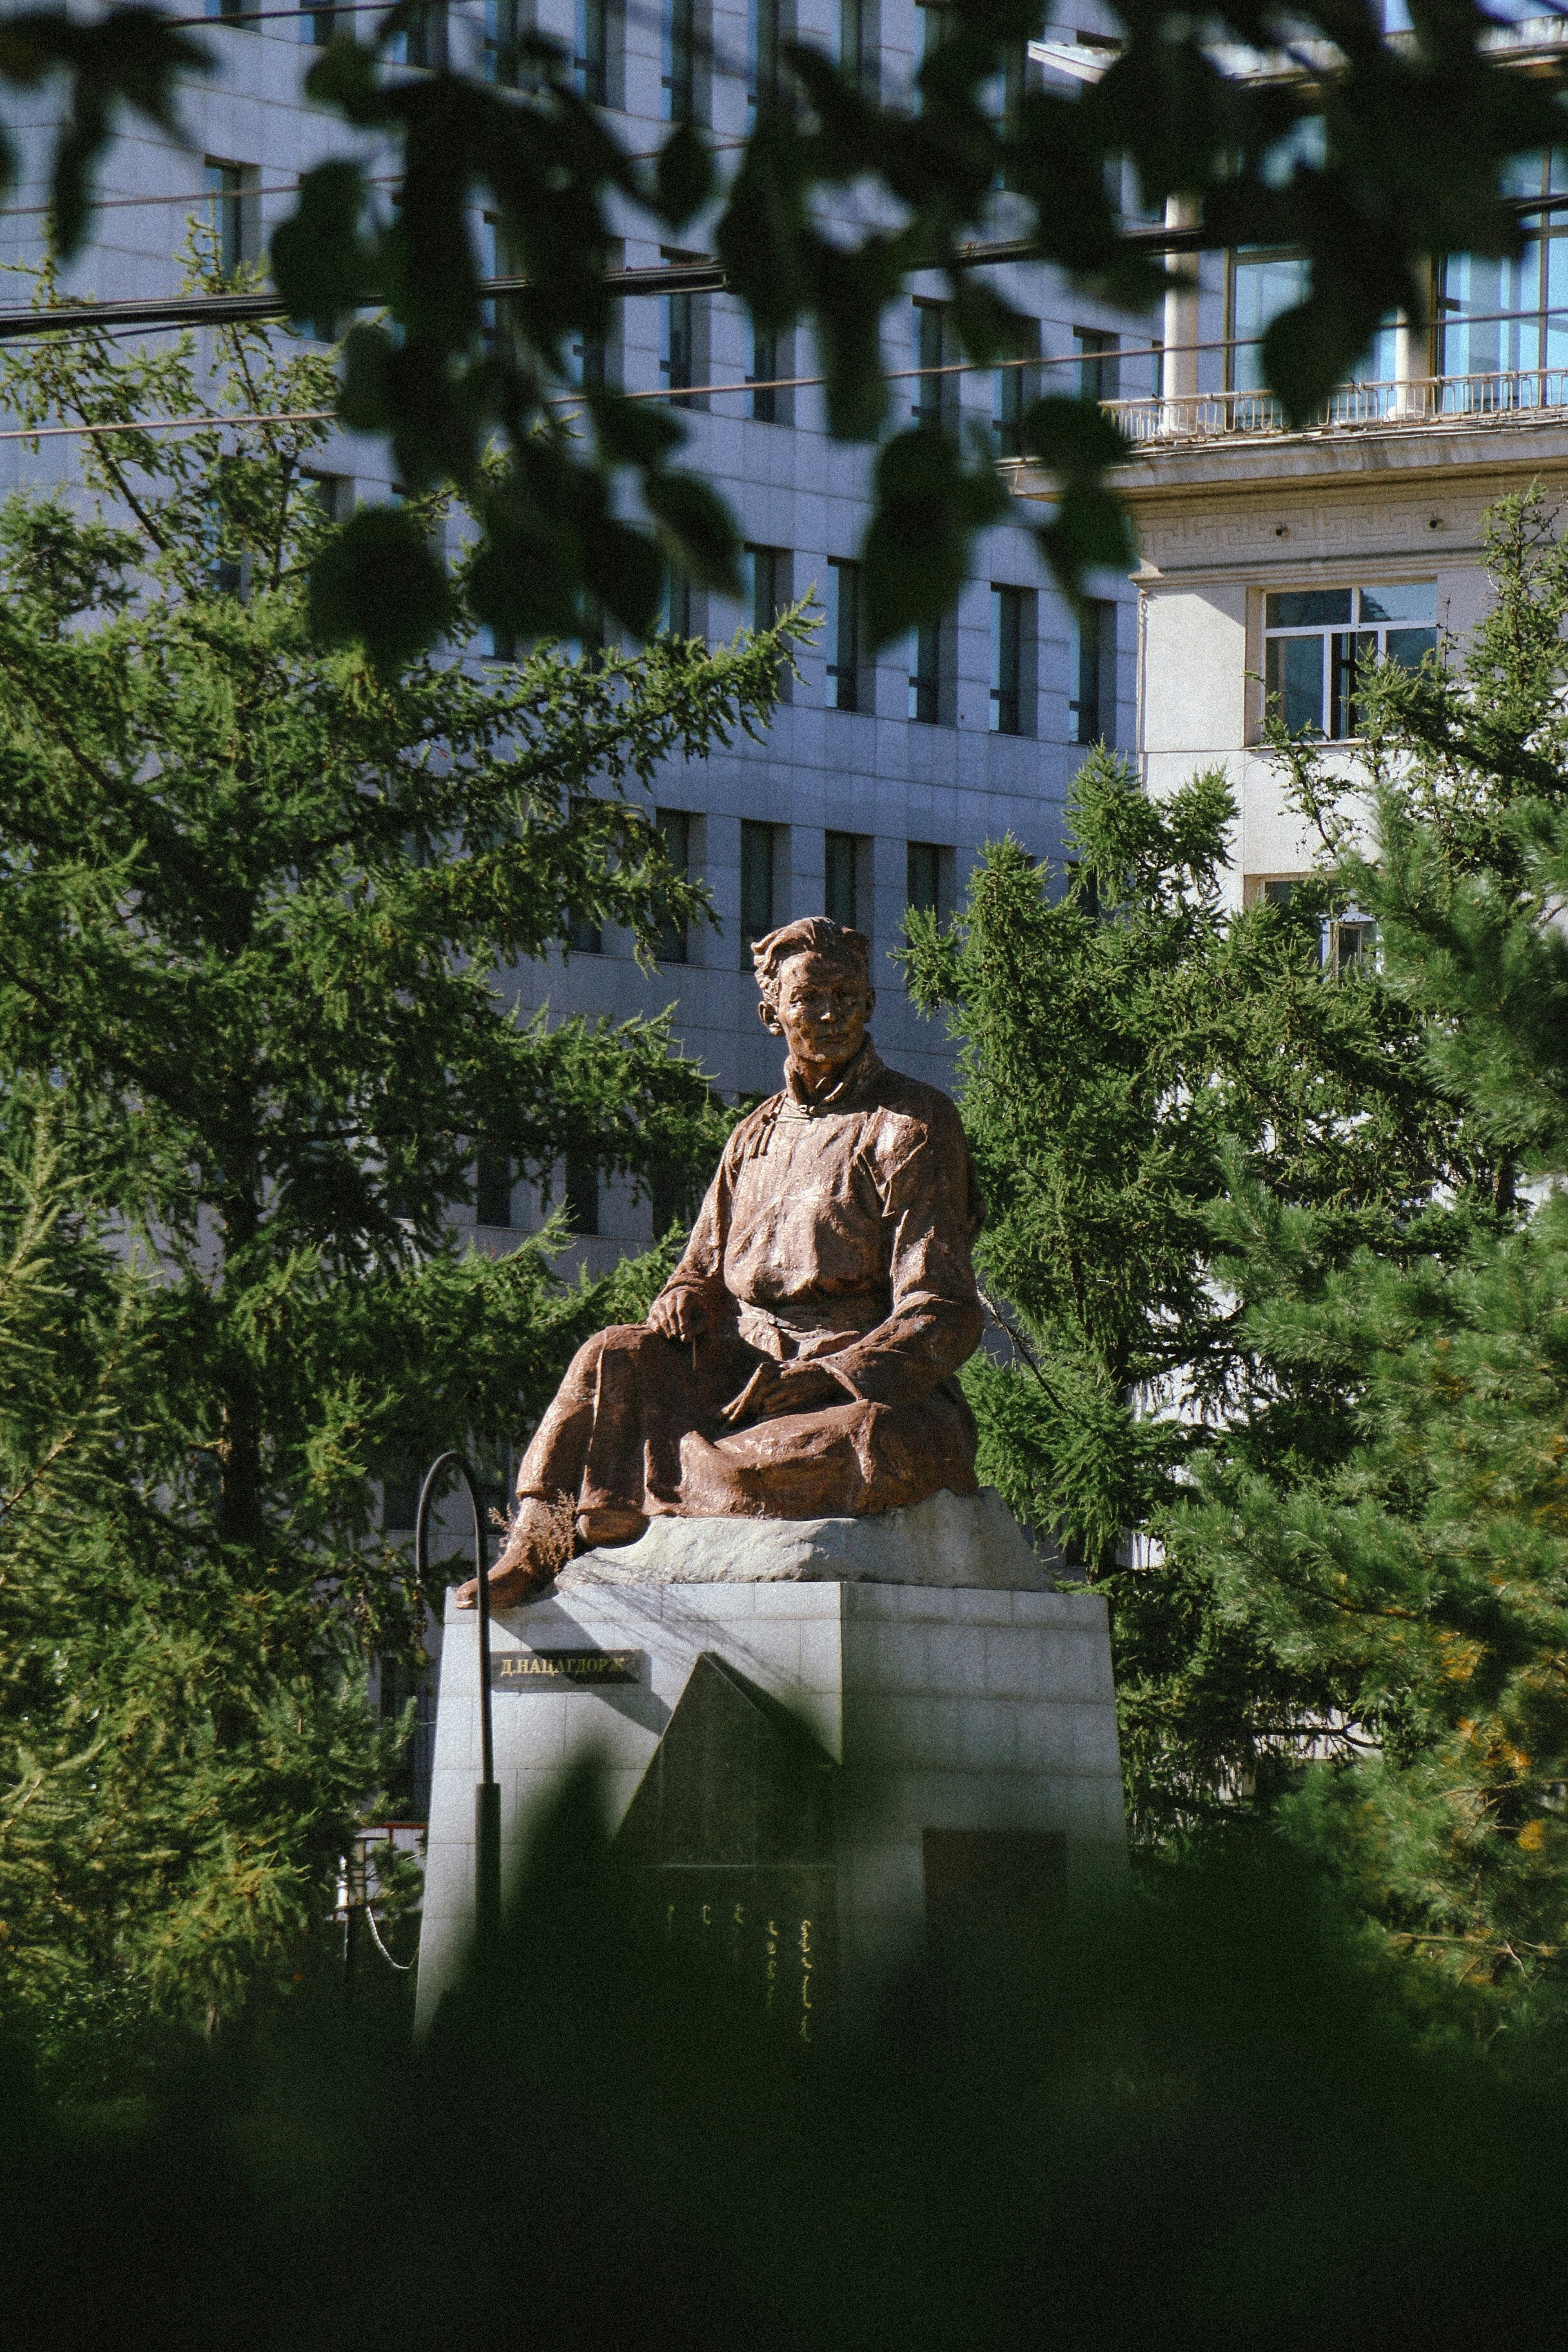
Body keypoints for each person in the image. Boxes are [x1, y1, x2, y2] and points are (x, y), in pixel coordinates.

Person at [457, 915, 984, 1607]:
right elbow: (699, 1269)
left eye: (846, 997)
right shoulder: (753, 1135)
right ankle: (541, 1539)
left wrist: (824, 1378)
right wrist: (683, 1297)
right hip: (742, 1370)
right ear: (772, 1013)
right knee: (612, 1352)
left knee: (849, 1443)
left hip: (859, 1381)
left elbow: (939, 1308)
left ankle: (645, 1489)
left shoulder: (910, 1123)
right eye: (808, 998)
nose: (829, 1014)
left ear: (868, 1005)